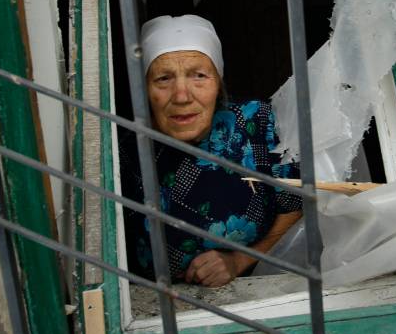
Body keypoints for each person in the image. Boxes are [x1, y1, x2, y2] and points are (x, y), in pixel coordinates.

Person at [120, 14, 302, 287]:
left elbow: (296, 206)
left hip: (263, 293)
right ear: (145, 90)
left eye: (199, 76)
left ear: (218, 84)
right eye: (163, 79)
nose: (182, 95)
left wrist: (238, 261)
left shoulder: (256, 122)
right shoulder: (125, 149)